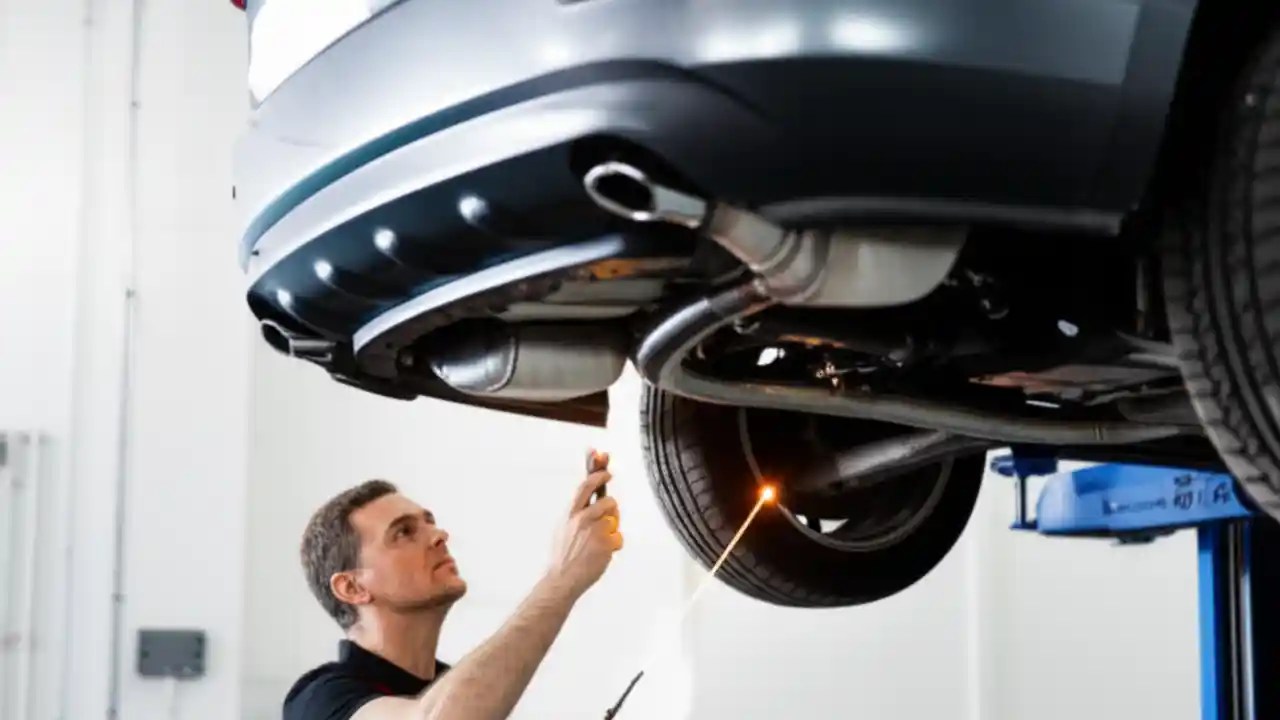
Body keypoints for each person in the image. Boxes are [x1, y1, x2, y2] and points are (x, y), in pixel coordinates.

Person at [283, 450, 623, 720]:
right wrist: (561, 579)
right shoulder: (319, 700)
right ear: (352, 588)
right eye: (403, 532)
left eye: (429, 522)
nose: (438, 535)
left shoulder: (459, 689)